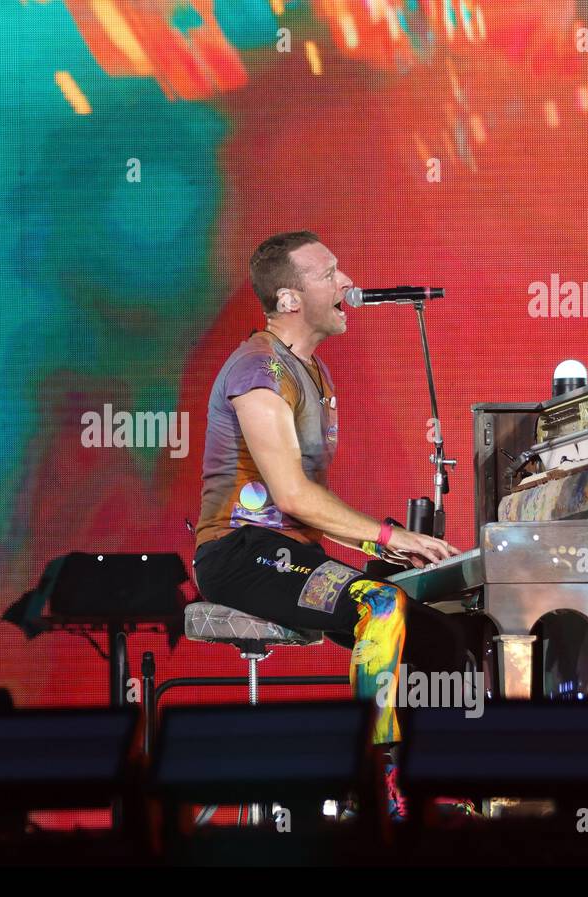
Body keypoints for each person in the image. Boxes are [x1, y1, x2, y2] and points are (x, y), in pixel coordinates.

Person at [194, 230, 464, 751]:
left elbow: (304, 510)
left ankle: (447, 777)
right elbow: (292, 496)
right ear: (289, 300)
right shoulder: (259, 370)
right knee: (381, 607)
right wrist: (390, 535)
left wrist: (381, 546)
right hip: (238, 554)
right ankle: (378, 779)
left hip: (287, 551)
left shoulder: (312, 371)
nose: (347, 282)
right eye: (328, 275)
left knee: (441, 634)